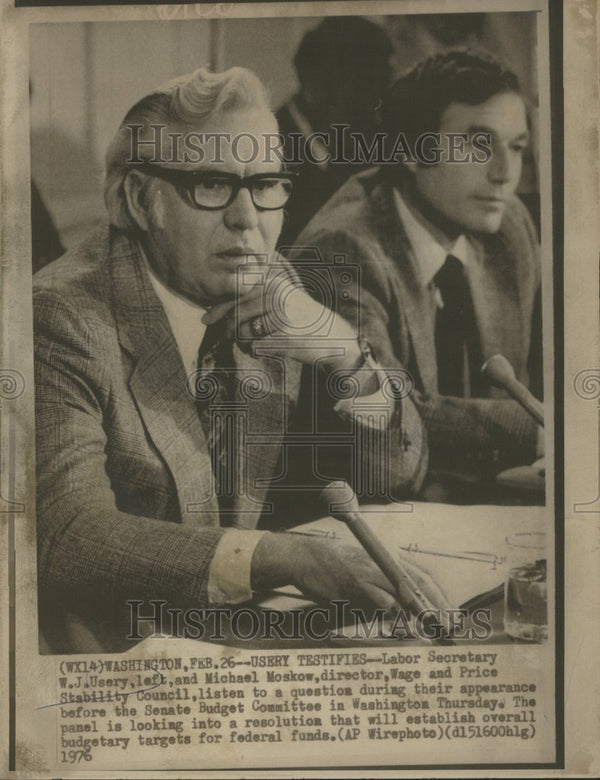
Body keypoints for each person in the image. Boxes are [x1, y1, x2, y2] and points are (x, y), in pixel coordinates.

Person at [33, 66, 446, 654]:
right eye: (212, 185)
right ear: (139, 199)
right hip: (116, 665)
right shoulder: (59, 317)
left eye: (268, 184)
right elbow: (71, 537)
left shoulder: (270, 284)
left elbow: (399, 471)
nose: (248, 218)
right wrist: (285, 555)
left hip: (236, 643)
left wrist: (345, 354)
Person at [296, 50, 543, 496]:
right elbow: (398, 414)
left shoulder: (509, 228)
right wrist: (543, 431)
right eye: (479, 144)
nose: (505, 175)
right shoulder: (342, 248)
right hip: (368, 511)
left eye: (518, 148)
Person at [276, 16, 393, 246]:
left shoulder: (370, 150)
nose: (378, 107)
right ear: (315, 83)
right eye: (364, 86)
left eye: (383, 86)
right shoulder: (263, 148)